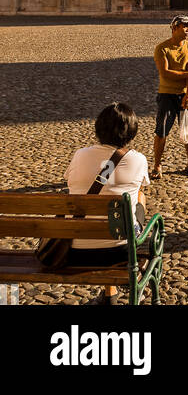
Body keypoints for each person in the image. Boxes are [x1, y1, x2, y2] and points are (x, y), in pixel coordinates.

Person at [65, 101, 149, 305]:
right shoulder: (138, 160)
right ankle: (135, 274)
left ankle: (109, 294)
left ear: (98, 128)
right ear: (131, 132)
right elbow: (140, 192)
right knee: (138, 197)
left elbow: (70, 183)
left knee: (97, 202)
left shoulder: (80, 155)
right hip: (119, 251)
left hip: (75, 250)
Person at [152, 14, 188, 178]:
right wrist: (186, 74)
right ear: (174, 28)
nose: (187, 30)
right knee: (161, 131)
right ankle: (157, 165)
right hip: (166, 95)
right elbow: (165, 73)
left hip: (186, 95)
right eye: (184, 26)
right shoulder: (162, 48)